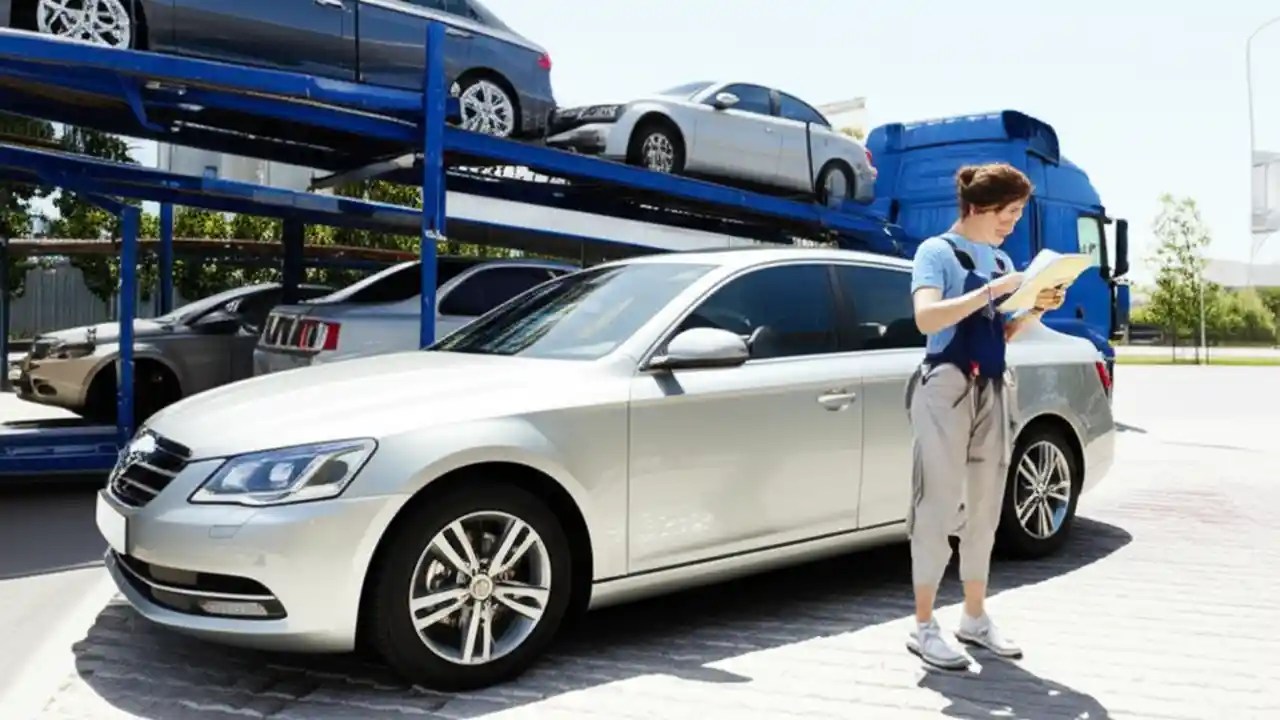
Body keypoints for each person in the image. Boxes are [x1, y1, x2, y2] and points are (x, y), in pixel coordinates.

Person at [903, 162, 1066, 670]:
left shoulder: (998, 261)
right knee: (937, 505)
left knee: (985, 508)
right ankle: (924, 626)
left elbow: (1000, 332)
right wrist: (995, 290)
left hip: (992, 387)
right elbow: (927, 318)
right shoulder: (936, 252)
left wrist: (1035, 306)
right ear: (977, 207)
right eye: (1008, 213)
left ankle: (973, 617)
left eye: (1017, 214)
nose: (1012, 224)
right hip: (945, 389)